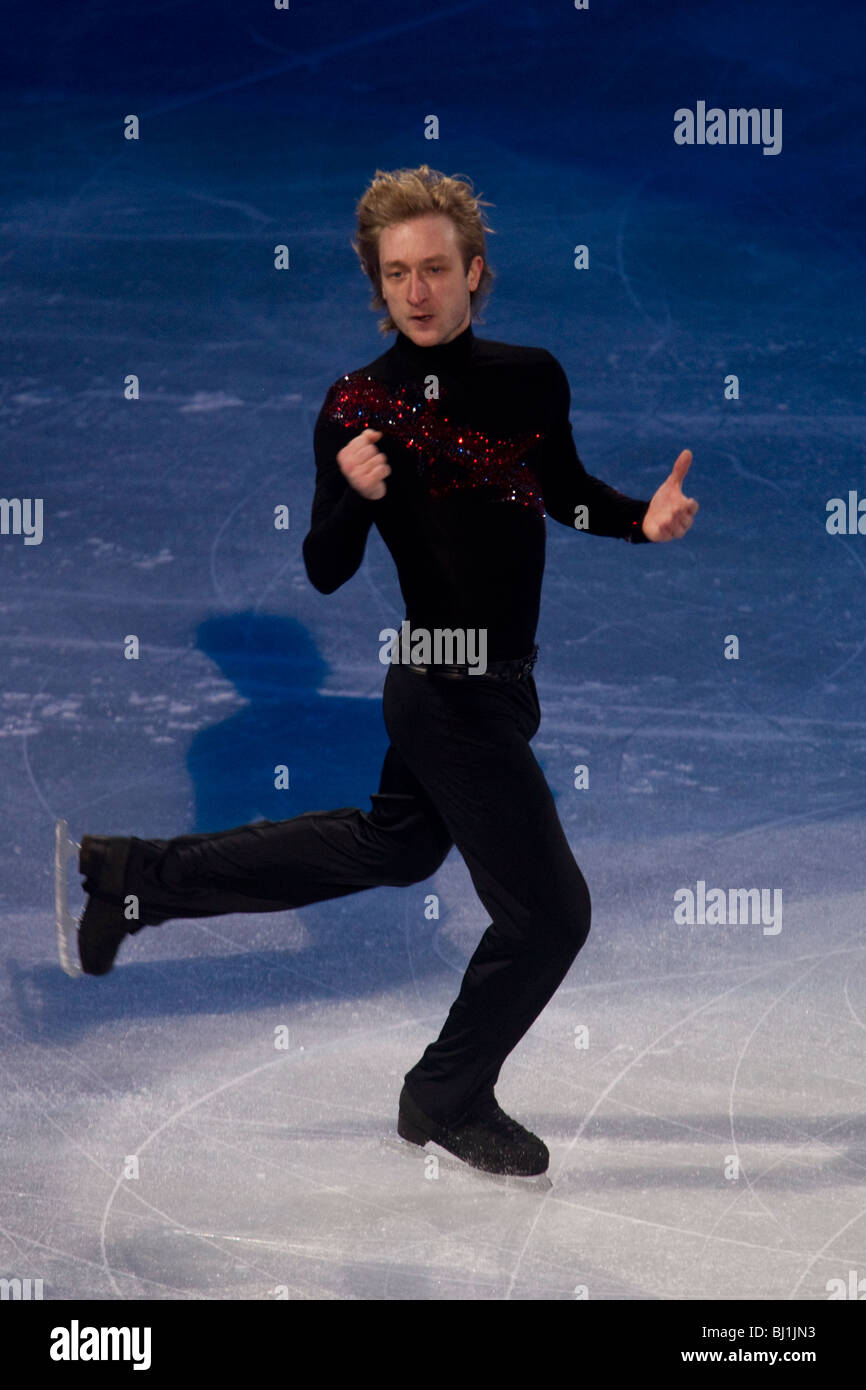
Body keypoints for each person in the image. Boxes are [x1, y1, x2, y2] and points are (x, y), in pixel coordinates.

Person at [74, 165, 698, 1178]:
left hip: (499, 682)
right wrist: (354, 493)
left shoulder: (529, 377)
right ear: (377, 282)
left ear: (473, 273)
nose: (416, 290)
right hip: (441, 688)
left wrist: (641, 519)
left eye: (434, 269)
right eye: (396, 272)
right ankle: (443, 1093)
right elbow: (325, 567)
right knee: (548, 916)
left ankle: (135, 877)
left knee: (393, 847)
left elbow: (562, 493)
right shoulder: (359, 406)